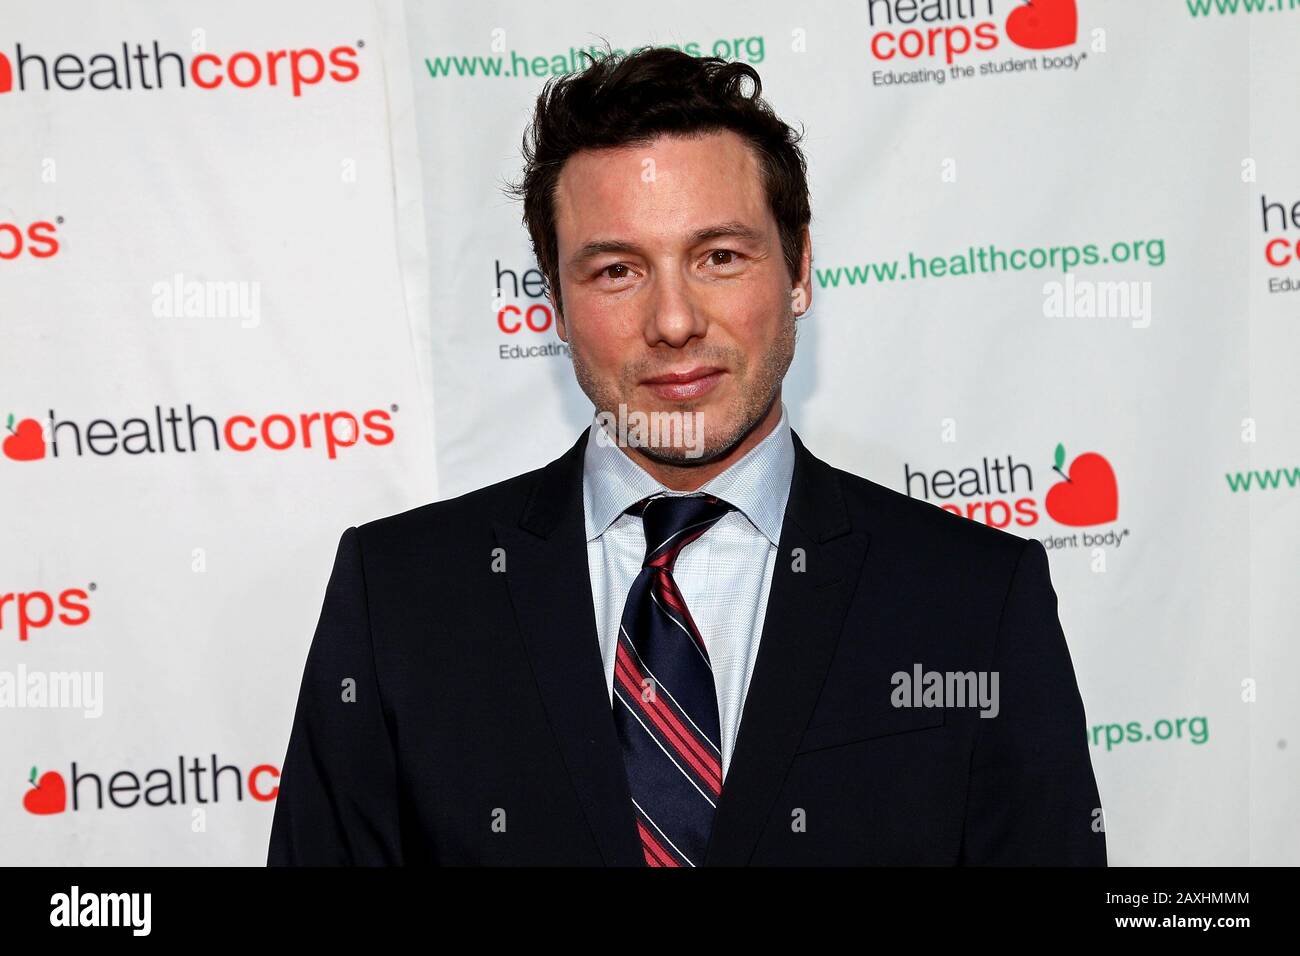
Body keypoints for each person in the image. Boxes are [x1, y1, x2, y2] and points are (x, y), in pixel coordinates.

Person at [267, 46, 1105, 867]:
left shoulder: (974, 597)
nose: (674, 321)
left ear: (800, 266)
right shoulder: (402, 597)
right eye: (617, 270)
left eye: (720, 257)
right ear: (553, 298)